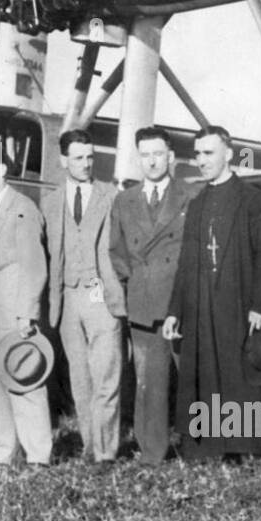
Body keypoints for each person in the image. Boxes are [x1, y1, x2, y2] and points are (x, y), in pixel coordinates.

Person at [164, 125, 261, 459]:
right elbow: (187, 264)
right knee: (210, 375)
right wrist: (176, 310)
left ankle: (257, 446)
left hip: (241, 303)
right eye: (198, 154)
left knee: (246, 376)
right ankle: (216, 447)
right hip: (204, 308)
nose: (201, 161)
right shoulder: (198, 204)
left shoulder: (253, 200)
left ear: (228, 154)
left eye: (209, 153)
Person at [108, 125, 197, 466]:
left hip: (182, 302)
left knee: (193, 378)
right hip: (144, 305)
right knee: (149, 384)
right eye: (145, 155)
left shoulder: (190, 197)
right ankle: (152, 453)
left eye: (158, 154)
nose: (152, 162)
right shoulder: (124, 200)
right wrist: (138, 281)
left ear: (171, 157)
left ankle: (199, 448)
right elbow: (116, 251)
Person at [40, 129, 125, 469]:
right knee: (80, 376)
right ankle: (91, 446)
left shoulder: (112, 196)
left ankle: (106, 451)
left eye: (90, 157)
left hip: (100, 294)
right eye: (78, 157)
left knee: (106, 371)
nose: (86, 163)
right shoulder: (50, 202)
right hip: (68, 297)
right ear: (63, 161)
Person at [0, 149, 52, 467]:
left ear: (3, 169)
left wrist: (27, 313)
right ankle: (3, 451)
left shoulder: (22, 208)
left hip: (15, 309)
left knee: (26, 378)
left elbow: (34, 266)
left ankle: (38, 456)